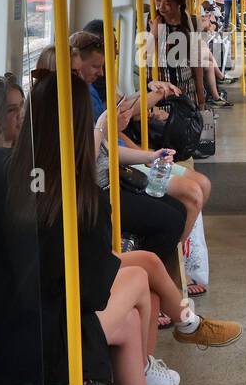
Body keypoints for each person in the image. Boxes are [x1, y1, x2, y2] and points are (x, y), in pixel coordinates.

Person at [0, 72, 202, 385]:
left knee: (134, 295)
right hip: (40, 345)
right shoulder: (75, 193)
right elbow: (91, 293)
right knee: (138, 282)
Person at [71, 28, 218, 301]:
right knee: (188, 197)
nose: (101, 71)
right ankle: (169, 281)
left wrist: (147, 153)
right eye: (95, 66)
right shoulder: (79, 99)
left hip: (117, 166)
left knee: (197, 189)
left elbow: (113, 130)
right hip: (102, 183)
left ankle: (175, 274)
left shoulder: (91, 90)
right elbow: (93, 154)